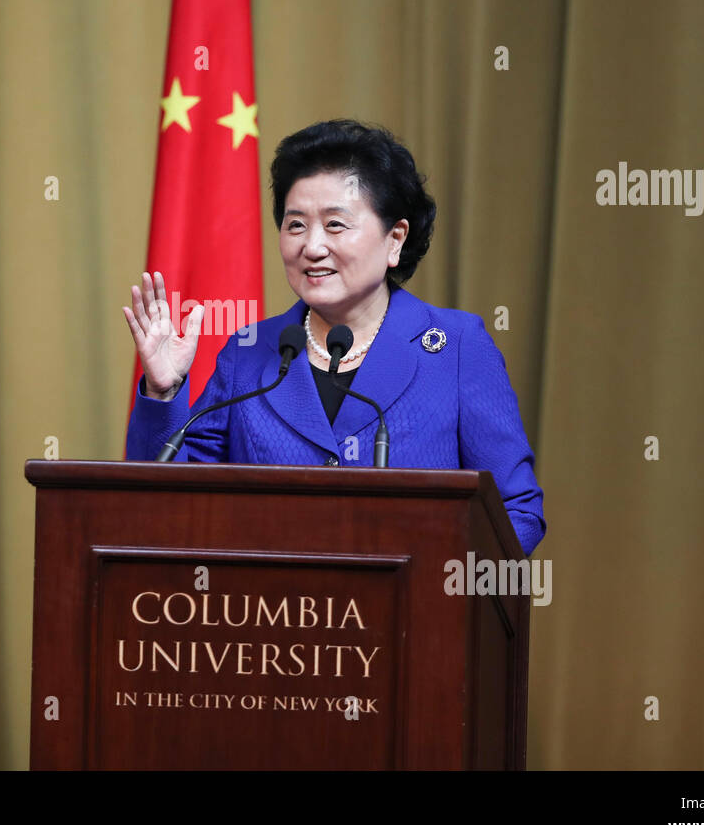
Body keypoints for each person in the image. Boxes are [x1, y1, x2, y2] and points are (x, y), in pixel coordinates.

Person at [121, 119, 546, 555]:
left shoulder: (456, 347)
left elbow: (516, 512)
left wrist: (439, 589)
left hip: (418, 615)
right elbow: (166, 504)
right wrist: (164, 389)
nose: (313, 246)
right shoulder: (248, 354)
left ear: (394, 238)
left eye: (336, 225)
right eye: (296, 225)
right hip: (274, 615)